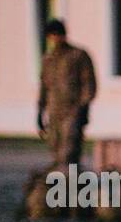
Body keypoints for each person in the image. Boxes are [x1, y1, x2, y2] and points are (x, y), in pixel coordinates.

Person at [37, 19, 96, 169]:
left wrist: (84, 107)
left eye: (58, 35)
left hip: (73, 111)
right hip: (54, 112)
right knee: (55, 147)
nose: (55, 39)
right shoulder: (48, 60)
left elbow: (88, 83)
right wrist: (40, 112)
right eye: (52, 36)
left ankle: (70, 183)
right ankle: (62, 183)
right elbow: (44, 87)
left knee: (69, 150)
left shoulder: (78, 56)